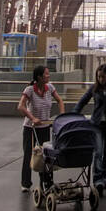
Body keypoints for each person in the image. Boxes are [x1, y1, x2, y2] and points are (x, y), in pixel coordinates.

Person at [75, 64, 106, 189]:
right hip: (96, 124)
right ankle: (97, 179)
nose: (101, 79)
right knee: (98, 151)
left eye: (103, 76)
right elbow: (83, 101)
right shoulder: (94, 88)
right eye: (99, 77)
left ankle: (103, 176)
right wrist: (73, 114)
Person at [17, 64, 63, 192]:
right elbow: (20, 106)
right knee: (28, 154)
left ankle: (47, 182)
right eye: (46, 74)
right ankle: (25, 183)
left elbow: (59, 100)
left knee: (46, 155)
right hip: (30, 128)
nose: (49, 76)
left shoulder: (50, 88)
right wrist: (33, 118)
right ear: (39, 77)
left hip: (44, 126)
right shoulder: (30, 89)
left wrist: (62, 116)